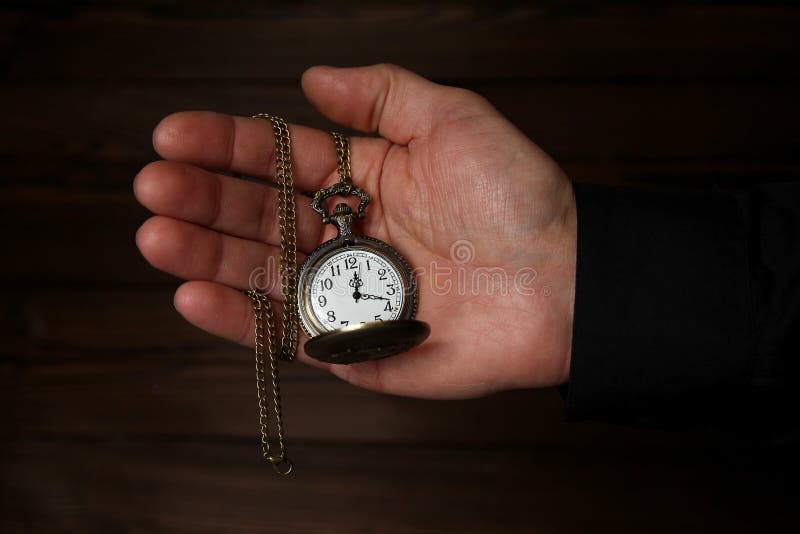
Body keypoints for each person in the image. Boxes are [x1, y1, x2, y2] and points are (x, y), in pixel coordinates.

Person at [134, 64, 799, 429]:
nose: (359, 286)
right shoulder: (344, 270)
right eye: (351, 289)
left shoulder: (354, 270)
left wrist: (570, 277)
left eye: (361, 286)